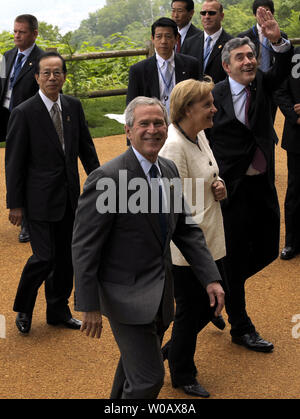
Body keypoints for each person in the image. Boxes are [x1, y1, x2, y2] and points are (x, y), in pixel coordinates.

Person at [72, 96, 225, 399]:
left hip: (159, 296)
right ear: (128, 131)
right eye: (144, 123)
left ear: (167, 128)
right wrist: (88, 303)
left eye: (158, 123)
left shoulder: (167, 170)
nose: (152, 130)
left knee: (133, 370)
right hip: (124, 298)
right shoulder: (108, 179)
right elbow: (85, 246)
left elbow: (185, 229)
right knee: (148, 380)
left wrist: (210, 277)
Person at [206, 8, 293, 353]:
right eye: (240, 57)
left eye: (251, 56)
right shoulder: (211, 97)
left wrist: (276, 41)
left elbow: (283, 67)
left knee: (269, 249)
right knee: (236, 256)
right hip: (230, 192)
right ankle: (241, 325)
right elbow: (199, 140)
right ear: (226, 66)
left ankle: (217, 287)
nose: (248, 61)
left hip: (262, 185)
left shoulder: (263, 84)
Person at [5, 52, 100, 334]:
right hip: (37, 202)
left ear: (64, 76)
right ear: (36, 77)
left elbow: (87, 149)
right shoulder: (24, 112)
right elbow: (14, 163)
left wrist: (100, 183)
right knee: (44, 258)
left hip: (70, 198)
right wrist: (15, 204)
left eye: (57, 72)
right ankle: (24, 307)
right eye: (45, 73)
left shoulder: (73, 106)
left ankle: (58, 311)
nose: (51, 77)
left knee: (66, 258)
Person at [159, 78, 227, 398]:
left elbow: (210, 172)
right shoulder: (173, 146)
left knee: (210, 304)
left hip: (211, 237)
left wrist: (219, 185)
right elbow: (173, 206)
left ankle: (173, 348)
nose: (214, 108)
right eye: (208, 105)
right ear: (188, 109)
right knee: (193, 309)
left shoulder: (199, 134)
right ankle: (182, 373)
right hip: (187, 249)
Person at [0, 14, 44, 243]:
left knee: (25, 169)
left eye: (22, 32)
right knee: (13, 166)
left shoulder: (43, 59)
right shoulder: (6, 57)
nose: (16, 35)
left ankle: (28, 221)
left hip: (28, 123)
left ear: (34, 34)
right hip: (6, 119)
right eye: (15, 31)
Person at [126, 17, 200, 115]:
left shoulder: (191, 64)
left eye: (168, 36)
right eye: (159, 36)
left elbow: (199, 99)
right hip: (153, 123)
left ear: (176, 38)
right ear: (152, 39)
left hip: (184, 120)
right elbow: (131, 107)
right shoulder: (138, 70)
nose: (163, 41)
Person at [238, 0, 288, 122]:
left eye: (266, 11)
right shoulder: (244, 36)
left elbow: (284, 61)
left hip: (273, 85)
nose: (263, 15)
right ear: (254, 15)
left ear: (272, 13)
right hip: (251, 84)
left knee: (270, 120)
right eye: (259, 12)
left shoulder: (280, 36)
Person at [274, 47, 300, 260]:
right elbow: (280, 91)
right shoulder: (292, 56)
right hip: (297, 135)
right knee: (295, 191)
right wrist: (294, 115)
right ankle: (292, 241)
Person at [181, 0, 232, 83]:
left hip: (219, 94)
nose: (207, 16)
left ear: (222, 16)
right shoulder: (189, 43)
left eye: (212, 13)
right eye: (203, 13)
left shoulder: (231, 44)